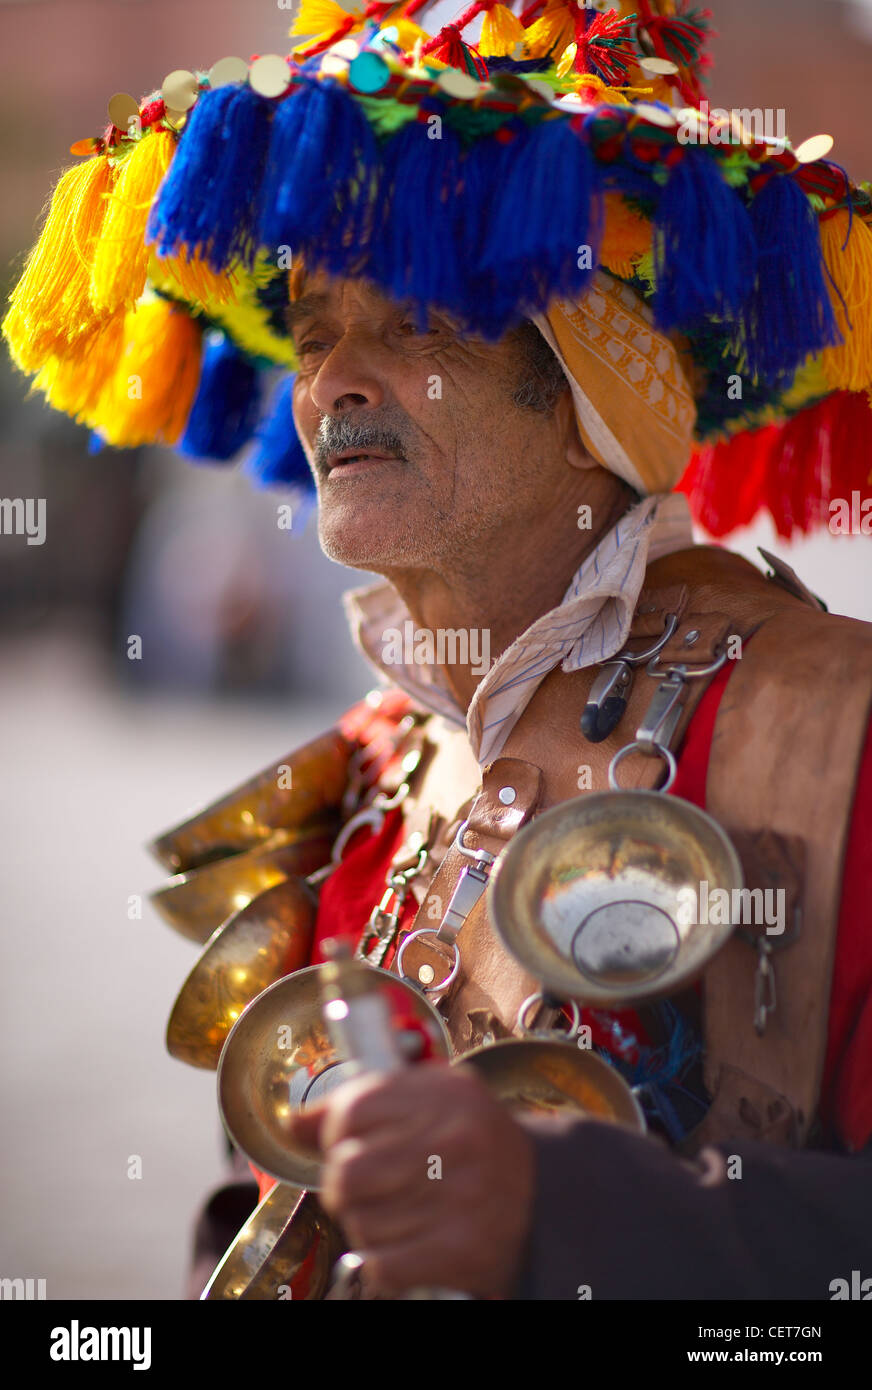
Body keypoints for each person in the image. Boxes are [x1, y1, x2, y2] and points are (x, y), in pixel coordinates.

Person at [5, 1, 872, 1301]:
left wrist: (562, 1211)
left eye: (413, 320)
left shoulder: (840, 736)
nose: (332, 383)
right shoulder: (371, 778)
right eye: (311, 330)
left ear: (602, 390)